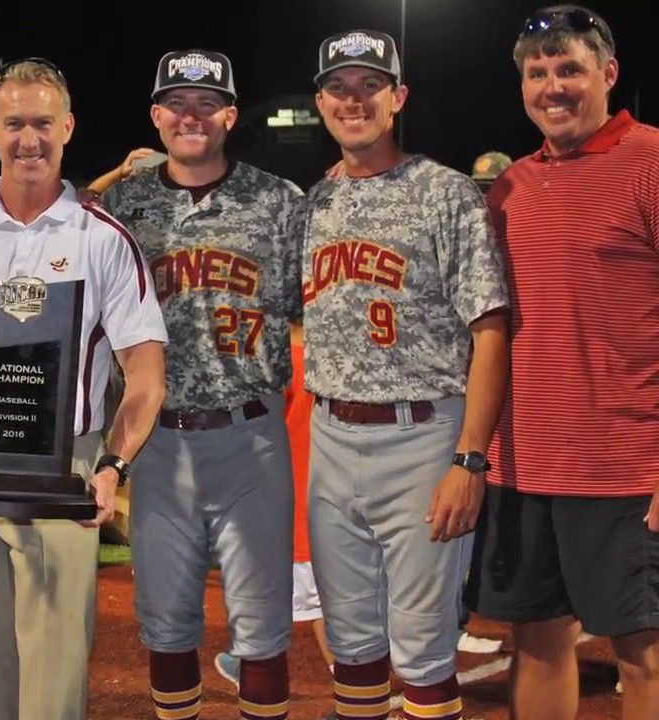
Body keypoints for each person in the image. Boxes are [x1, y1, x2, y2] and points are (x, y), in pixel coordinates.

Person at [0, 58, 168, 720]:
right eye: (14, 123)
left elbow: (145, 372)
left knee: (53, 677)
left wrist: (113, 466)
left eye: (43, 124)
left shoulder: (104, 239)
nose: (29, 139)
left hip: (66, 467)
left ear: (67, 127)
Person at [295, 30, 511, 720]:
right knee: (352, 646)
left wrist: (469, 460)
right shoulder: (314, 202)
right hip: (332, 439)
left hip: (422, 437)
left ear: (399, 97)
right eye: (338, 88)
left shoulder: (445, 193)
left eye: (370, 86)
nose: (353, 101)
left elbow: (490, 331)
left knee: (422, 653)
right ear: (320, 102)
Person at [90, 49, 301, 720]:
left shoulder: (279, 201)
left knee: (263, 628)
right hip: (158, 444)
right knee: (166, 622)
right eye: (177, 103)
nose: (191, 116)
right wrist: (112, 176)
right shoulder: (122, 205)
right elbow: (51, 225)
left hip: (252, 437)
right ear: (156, 116)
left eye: (207, 103)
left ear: (230, 116)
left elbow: (316, 305)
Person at [464, 6, 659, 719]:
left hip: (625, 467)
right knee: (538, 643)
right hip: (521, 465)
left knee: (645, 653)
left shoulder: (651, 163)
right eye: (537, 72)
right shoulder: (511, 186)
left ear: (608, 73)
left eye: (570, 69)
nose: (553, 86)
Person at [213, 322, 338, 695]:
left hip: (292, 498)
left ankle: (355, 690)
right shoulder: (337, 352)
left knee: (318, 604)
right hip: (332, 493)